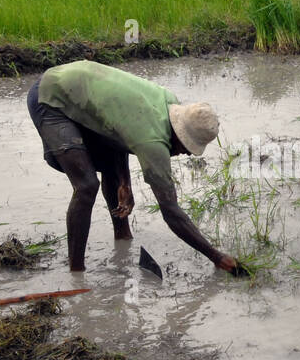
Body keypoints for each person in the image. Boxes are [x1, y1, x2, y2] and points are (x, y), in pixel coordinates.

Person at [27, 60, 238, 273]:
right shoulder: (152, 142)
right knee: (86, 186)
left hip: (81, 84)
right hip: (50, 96)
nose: (184, 153)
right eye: (185, 147)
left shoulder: (169, 103)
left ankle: (122, 237)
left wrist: (125, 182)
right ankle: (77, 273)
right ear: (179, 136)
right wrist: (217, 257)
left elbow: (119, 129)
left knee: (111, 170)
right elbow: (171, 211)